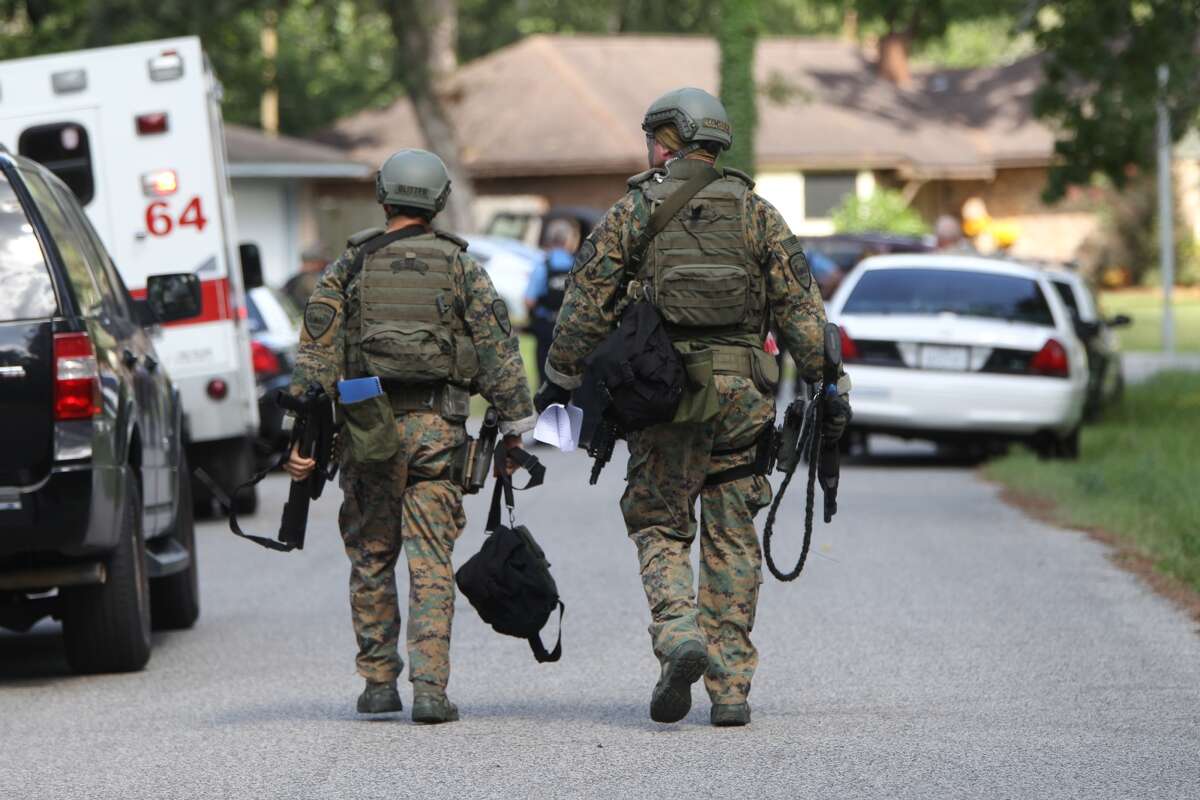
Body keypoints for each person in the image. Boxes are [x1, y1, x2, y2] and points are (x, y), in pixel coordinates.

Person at [535, 87, 850, 728]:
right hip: (743, 397)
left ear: (665, 141)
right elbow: (803, 316)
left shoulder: (633, 210)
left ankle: (680, 636)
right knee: (733, 534)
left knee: (658, 520)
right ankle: (730, 689)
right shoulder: (758, 214)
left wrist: (559, 381)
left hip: (663, 395)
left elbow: (585, 302)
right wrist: (826, 385)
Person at [284, 149, 536, 724]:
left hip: (366, 429)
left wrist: (300, 441)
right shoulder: (461, 266)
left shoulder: (347, 266)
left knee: (372, 554)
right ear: (441, 200)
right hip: (438, 433)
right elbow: (499, 355)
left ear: (383, 194)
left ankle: (377, 684)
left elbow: (315, 360)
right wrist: (517, 432)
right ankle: (429, 689)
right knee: (431, 562)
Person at [525, 218, 579, 386]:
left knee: (544, 375)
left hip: (546, 328)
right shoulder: (576, 266)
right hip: (570, 329)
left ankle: (546, 408)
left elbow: (529, 300)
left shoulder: (543, 266)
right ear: (567, 240)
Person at [284, 243, 330, 311]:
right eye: (305, 263)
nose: (305, 267)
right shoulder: (297, 279)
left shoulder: (328, 277)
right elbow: (284, 293)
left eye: (311, 263)